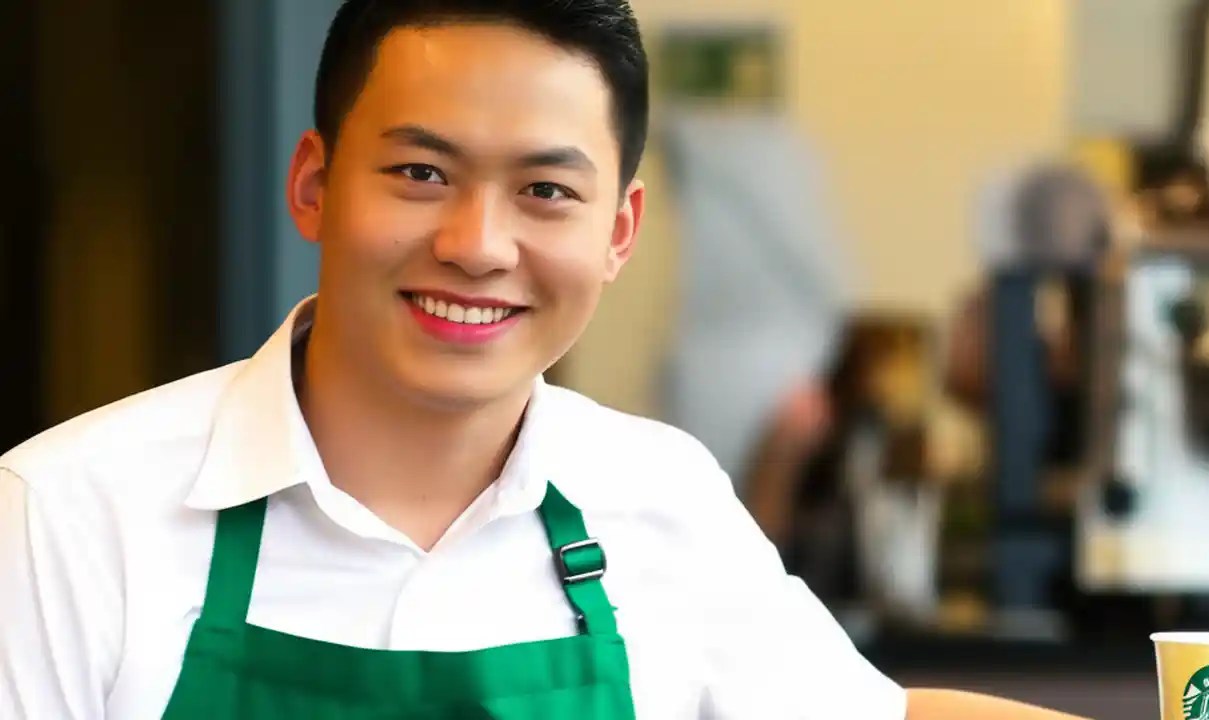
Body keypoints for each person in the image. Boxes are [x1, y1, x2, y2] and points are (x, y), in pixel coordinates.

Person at [0, 1, 1084, 717]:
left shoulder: (657, 499)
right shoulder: (66, 515)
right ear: (313, 185)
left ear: (618, 232)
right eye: (420, 173)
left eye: (546, 192)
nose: (477, 244)